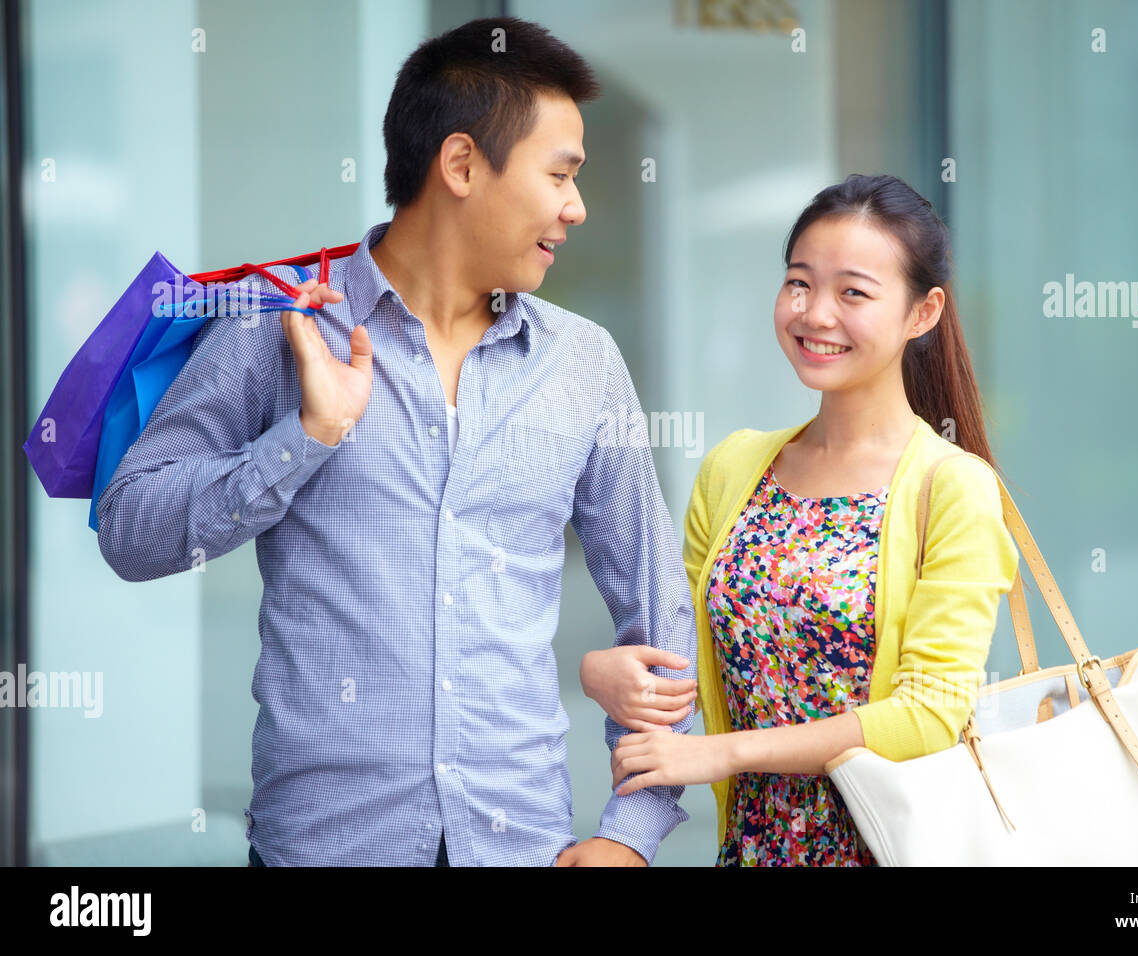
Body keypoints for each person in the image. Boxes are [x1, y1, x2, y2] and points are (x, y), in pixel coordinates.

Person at [97, 16, 698, 867]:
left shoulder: (583, 364)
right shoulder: (282, 325)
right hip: (326, 848)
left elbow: (660, 611)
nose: (577, 206)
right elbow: (130, 530)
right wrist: (305, 437)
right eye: (560, 175)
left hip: (521, 845)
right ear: (460, 165)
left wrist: (630, 837)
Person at [580, 173, 1020, 866]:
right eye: (799, 282)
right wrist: (607, 674)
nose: (815, 313)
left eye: (853, 292)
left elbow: (930, 714)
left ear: (923, 312)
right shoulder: (734, 468)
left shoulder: (954, 487)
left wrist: (717, 754)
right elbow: (687, 659)